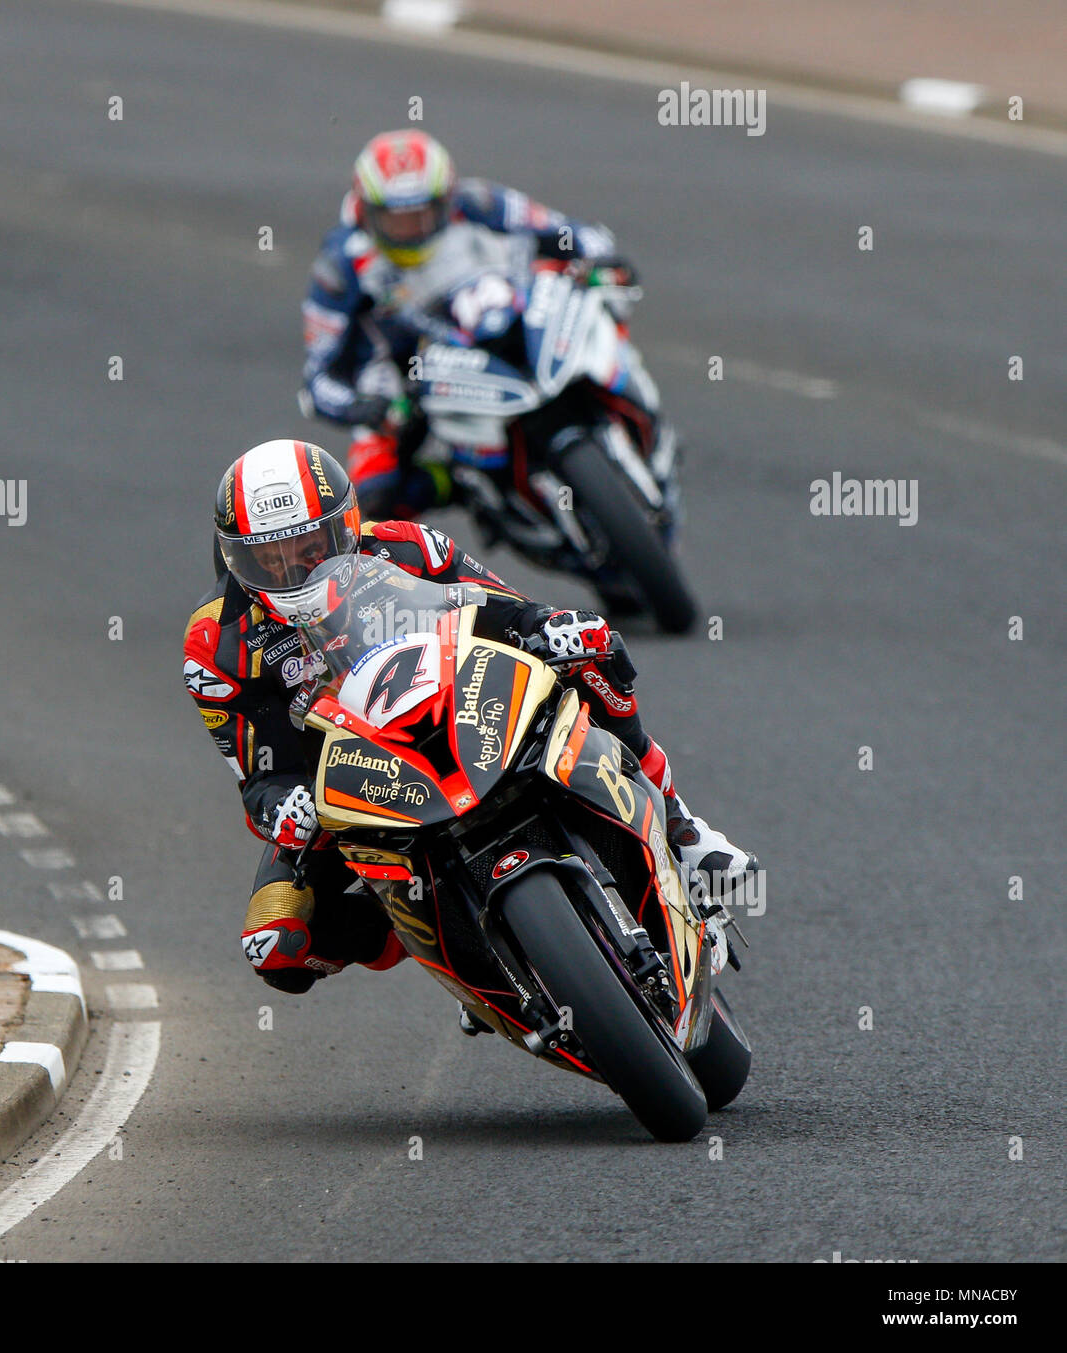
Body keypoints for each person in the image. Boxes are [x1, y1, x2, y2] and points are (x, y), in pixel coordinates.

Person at [186, 439, 752, 995]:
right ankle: (460, 948)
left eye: (311, 546)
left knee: (593, 648)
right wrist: (285, 807)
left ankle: (681, 828)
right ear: (238, 557)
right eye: (271, 556)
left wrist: (554, 628)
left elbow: (510, 609)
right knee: (276, 942)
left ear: (344, 526)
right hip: (350, 782)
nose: (294, 568)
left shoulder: (409, 547)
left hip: (458, 705)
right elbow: (258, 777)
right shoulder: (215, 645)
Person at [301, 129, 645, 519]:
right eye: (397, 220)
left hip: (505, 311)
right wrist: (362, 407)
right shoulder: (340, 266)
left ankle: (629, 393)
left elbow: (568, 232)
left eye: (422, 214)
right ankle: (460, 482)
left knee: (595, 291)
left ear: (446, 200)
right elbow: (317, 381)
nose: (412, 231)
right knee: (367, 505)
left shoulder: (478, 201)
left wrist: (601, 258)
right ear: (367, 212)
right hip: (409, 370)